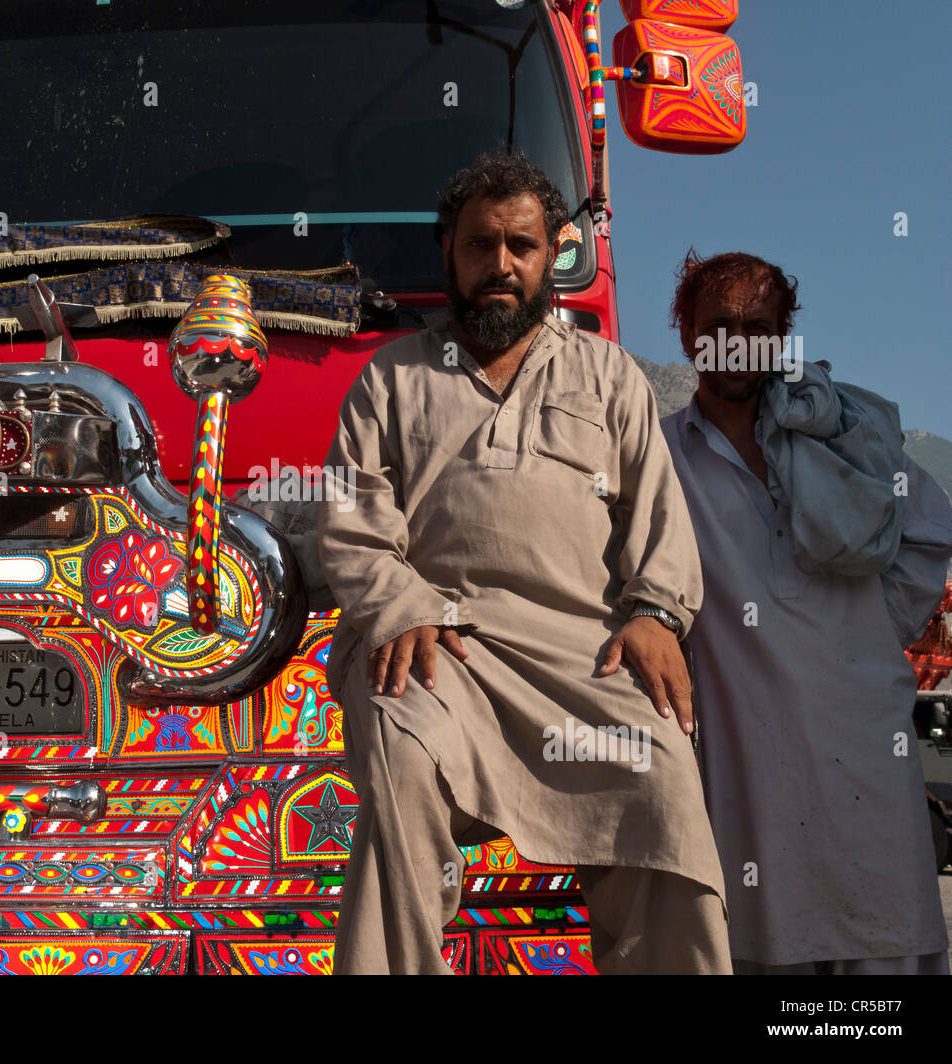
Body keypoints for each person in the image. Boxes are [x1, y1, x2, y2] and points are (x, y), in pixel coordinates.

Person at [318, 150, 730, 975]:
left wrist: (654, 613)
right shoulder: (390, 379)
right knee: (404, 761)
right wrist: (402, 606)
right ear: (450, 254)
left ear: (552, 257)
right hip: (444, 649)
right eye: (480, 245)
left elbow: (657, 515)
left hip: (583, 653)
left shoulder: (610, 375)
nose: (500, 265)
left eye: (521, 246)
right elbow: (350, 521)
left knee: (665, 789)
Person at [659, 250, 952, 974]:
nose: (736, 341)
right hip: (745, 744)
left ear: (782, 335)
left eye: (757, 326)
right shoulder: (659, 453)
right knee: (763, 934)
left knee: (879, 941)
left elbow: (930, 528)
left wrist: (874, 631)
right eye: (717, 323)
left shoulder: (843, 434)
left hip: (862, 731)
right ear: (687, 332)